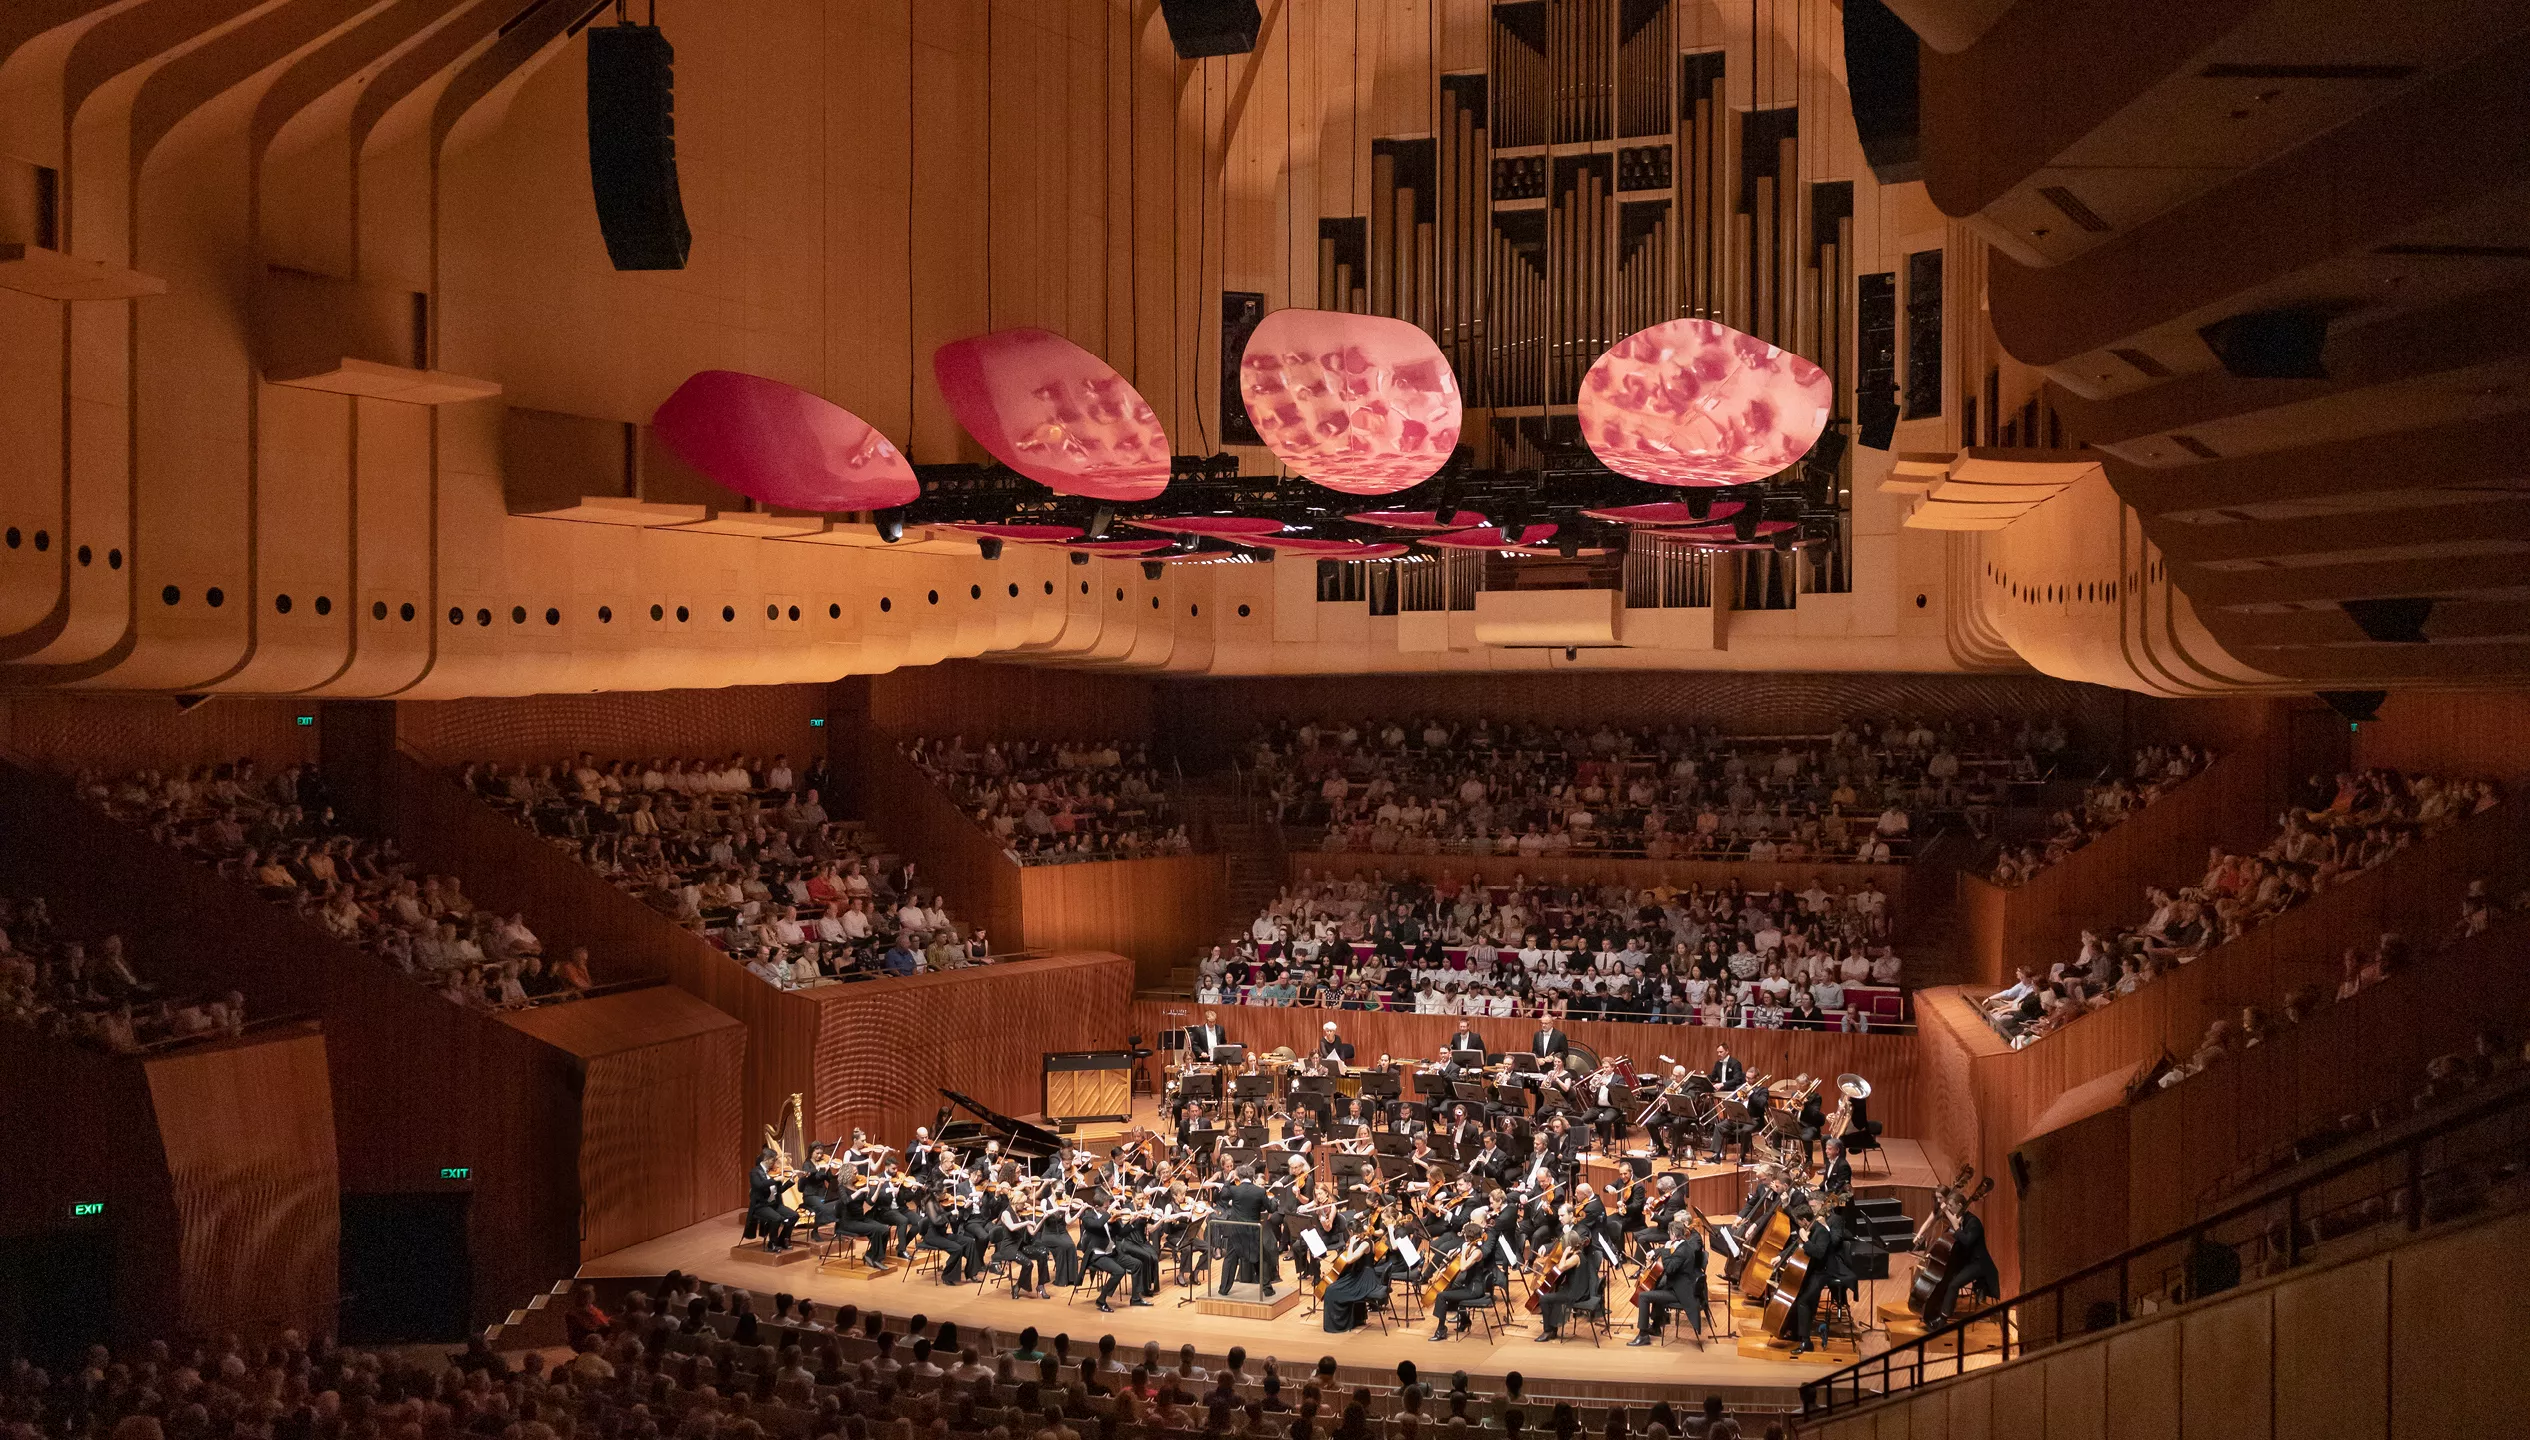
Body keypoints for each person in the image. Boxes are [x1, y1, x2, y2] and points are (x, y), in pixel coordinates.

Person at [1628, 1217, 1706, 1347]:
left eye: (1670, 1234)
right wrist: (1661, 1250)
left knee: (1643, 1296)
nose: (1669, 1237)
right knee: (1658, 1287)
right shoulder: (1683, 1246)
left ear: (1674, 1235)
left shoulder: (1681, 1251)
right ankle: (1656, 1326)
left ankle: (1643, 1335)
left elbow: (1669, 1269)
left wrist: (1664, 1251)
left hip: (1679, 1293)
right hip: (1679, 1287)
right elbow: (1671, 1257)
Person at [1925, 1193, 2000, 1325]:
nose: (1948, 1209)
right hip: (1969, 1261)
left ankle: (1942, 1319)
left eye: (1951, 1206)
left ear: (1960, 1206)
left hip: (1980, 1263)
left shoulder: (1973, 1222)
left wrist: (1956, 1228)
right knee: (1947, 1278)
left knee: (1954, 1284)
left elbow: (1967, 1241)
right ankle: (1940, 1308)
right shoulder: (1961, 1220)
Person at [1428, 1222, 1502, 1340]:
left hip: (1474, 1290)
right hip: (1469, 1285)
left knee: (1442, 1296)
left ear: (1468, 1237)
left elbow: (1463, 1267)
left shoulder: (1477, 1252)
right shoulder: (1471, 1248)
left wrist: (1463, 1251)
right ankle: (1465, 1320)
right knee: (1451, 1289)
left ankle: (1441, 1330)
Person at [747, 1147, 800, 1252]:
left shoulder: (770, 1172)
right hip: (760, 1206)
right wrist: (774, 1180)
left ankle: (783, 1239)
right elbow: (758, 1185)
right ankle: (772, 1243)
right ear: (766, 1159)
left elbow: (779, 1190)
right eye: (773, 1160)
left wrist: (790, 1181)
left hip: (773, 1204)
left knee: (794, 1216)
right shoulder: (755, 1172)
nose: (774, 1163)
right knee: (776, 1218)